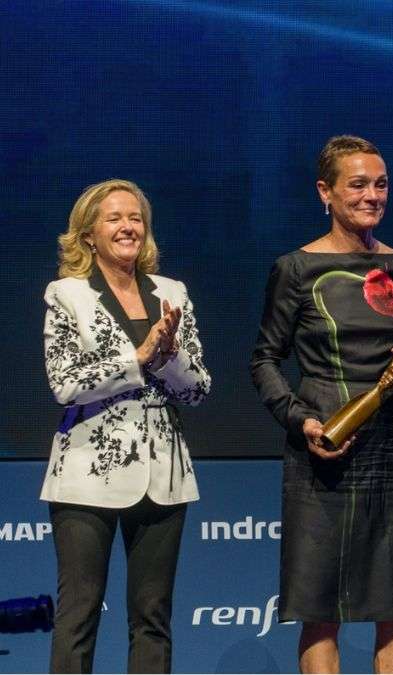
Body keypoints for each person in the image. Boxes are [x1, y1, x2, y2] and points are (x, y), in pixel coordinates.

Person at [250, 135, 393, 674]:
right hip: (324, 447)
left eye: (380, 184)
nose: (372, 195)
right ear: (325, 192)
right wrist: (301, 421)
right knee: (319, 609)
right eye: (357, 184)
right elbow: (264, 360)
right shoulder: (296, 269)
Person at [41, 179, 210, 673]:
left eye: (135, 218)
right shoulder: (67, 294)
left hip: (165, 478)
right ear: (90, 233)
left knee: (152, 618)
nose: (127, 226)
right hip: (86, 473)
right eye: (114, 218)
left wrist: (169, 354)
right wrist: (138, 356)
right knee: (79, 614)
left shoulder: (171, 293)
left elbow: (197, 389)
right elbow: (66, 383)